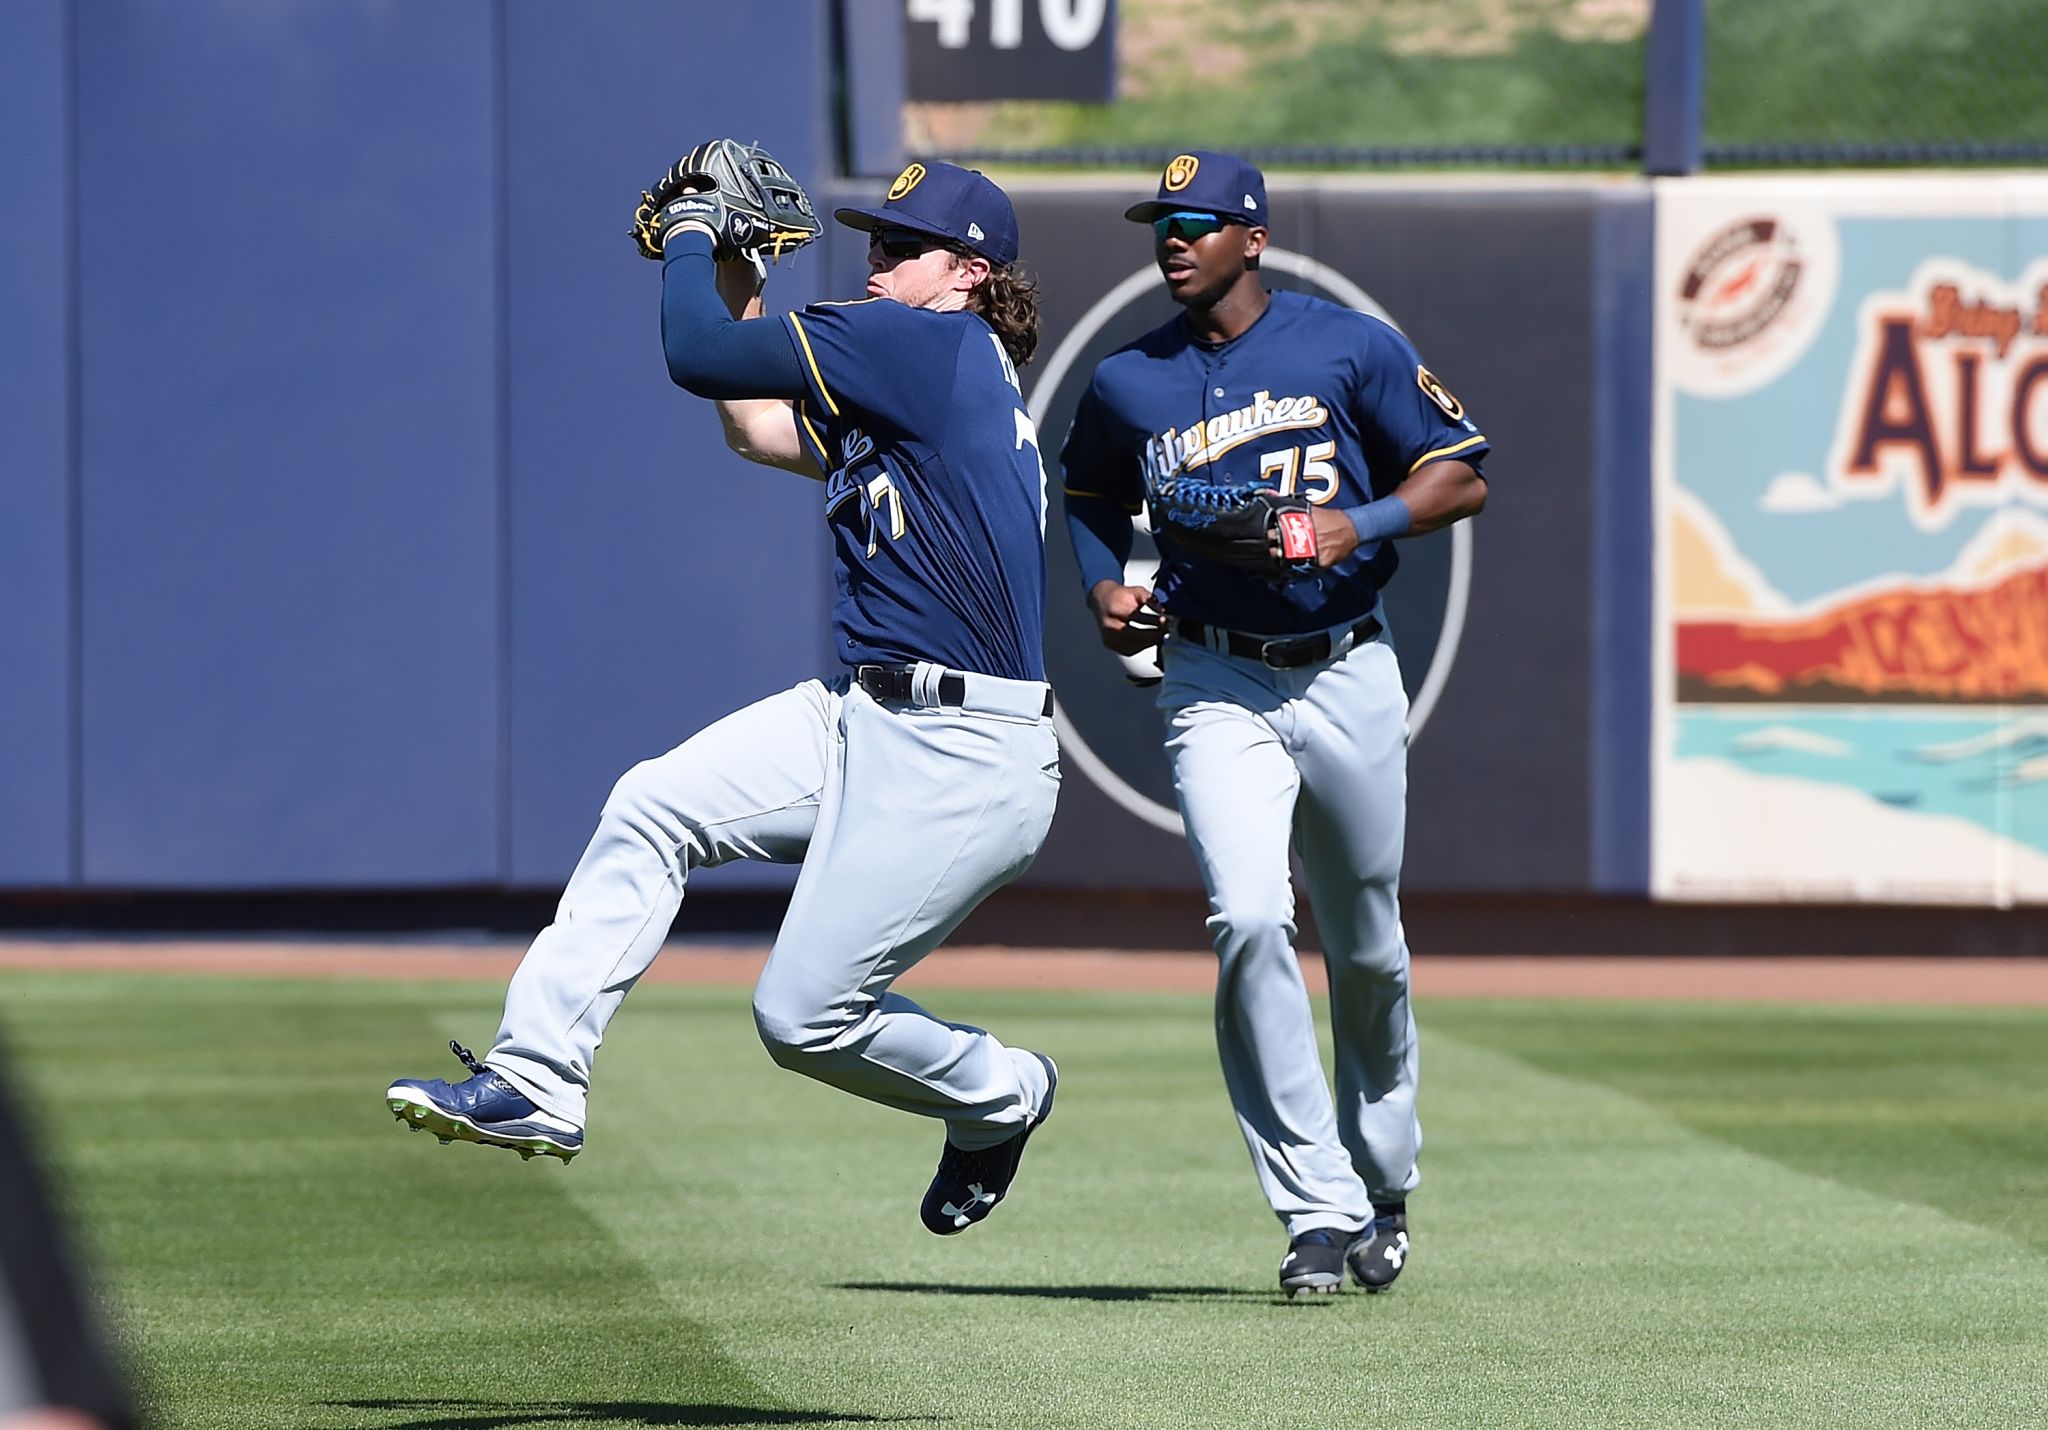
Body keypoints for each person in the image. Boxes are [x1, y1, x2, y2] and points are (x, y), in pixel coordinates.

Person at [388, 156, 1064, 1237]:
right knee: (652, 803)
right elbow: (755, 424)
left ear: (969, 272)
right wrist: (748, 269)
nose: (877, 262)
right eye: (874, 241)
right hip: (865, 715)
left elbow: (697, 355)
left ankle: (1001, 1091)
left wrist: (699, 235)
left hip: (964, 752)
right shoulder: (926, 371)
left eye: (902, 248)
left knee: (798, 1015)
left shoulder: (920, 344)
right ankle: (538, 1075)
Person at [1058, 151, 1489, 1296]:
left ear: (1251, 236)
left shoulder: (1345, 344)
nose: (1171, 238)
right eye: (1161, 221)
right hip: (1212, 678)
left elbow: (1460, 473)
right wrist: (1103, 582)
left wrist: (1360, 522)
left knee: (1364, 944)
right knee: (1248, 915)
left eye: (1196, 222)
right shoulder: (1125, 382)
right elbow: (1090, 494)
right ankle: (1314, 1206)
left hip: (1345, 666)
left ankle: (1383, 1176)